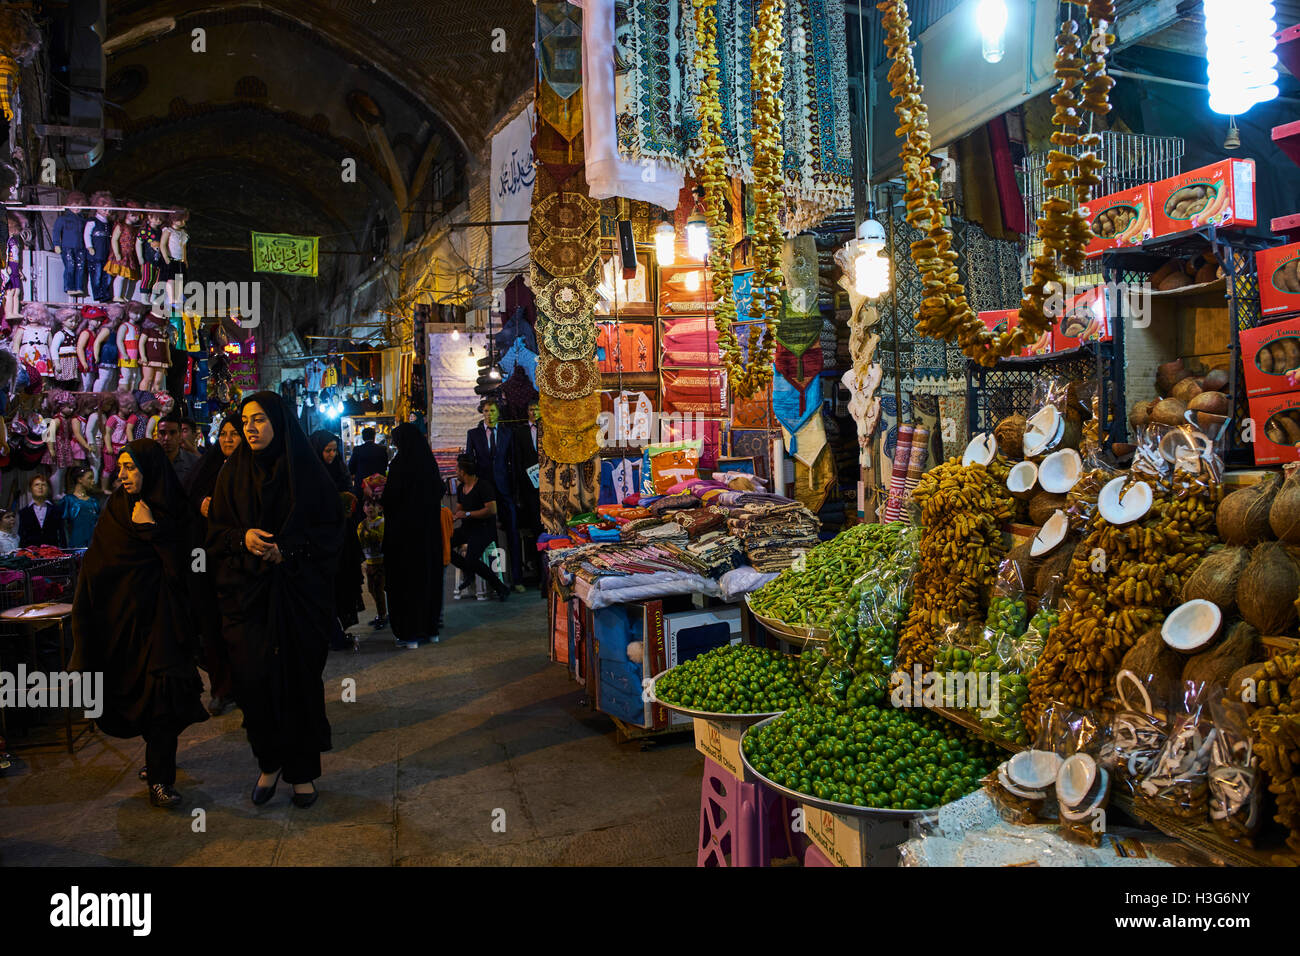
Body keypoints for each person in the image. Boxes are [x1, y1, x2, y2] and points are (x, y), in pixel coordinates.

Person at [207, 392, 342, 808]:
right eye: (246, 421)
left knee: (299, 684)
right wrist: (242, 538)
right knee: (254, 685)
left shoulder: (308, 474)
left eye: (260, 420)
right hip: (248, 600)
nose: (251, 428)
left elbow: (331, 533)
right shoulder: (231, 476)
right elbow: (214, 534)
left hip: (298, 599)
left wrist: (290, 551)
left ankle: (302, 772)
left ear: (279, 423)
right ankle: (269, 762)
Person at [68, 439, 209, 809]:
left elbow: (189, 569)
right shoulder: (115, 510)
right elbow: (98, 569)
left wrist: (153, 530)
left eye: (132, 468)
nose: (124, 474)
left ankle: (161, 778)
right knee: (145, 699)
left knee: (165, 698)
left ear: (151, 469)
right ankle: (157, 760)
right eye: (123, 467)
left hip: (166, 623)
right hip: (125, 626)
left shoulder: (176, 510)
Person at [187, 412, 242, 716]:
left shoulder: (252, 469)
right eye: (224, 434)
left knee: (239, 628)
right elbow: (189, 496)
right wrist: (200, 504)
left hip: (236, 562)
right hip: (204, 560)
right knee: (211, 626)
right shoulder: (206, 467)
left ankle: (244, 685)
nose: (228, 440)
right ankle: (221, 688)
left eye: (234, 434)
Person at [381, 423, 448, 648]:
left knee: (407, 583)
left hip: (404, 539)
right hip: (428, 536)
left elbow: (390, 500)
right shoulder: (428, 464)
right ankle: (430, 630)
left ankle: (410, 634)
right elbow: (439, 490)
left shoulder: (399, 465)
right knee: (429, 579)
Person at [310, 429, 362, 650]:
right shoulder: (309, 473)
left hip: (341, 540)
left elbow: (348, 493)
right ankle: (331, 634)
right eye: (326, 450)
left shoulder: (339, 470)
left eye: (333, 450)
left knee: (339, 586)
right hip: (320, 543)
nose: (331, 455)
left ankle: (335, 632)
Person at [466, 399, 523, 591]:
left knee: (513, 532)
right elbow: (470, 463)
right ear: (482, 412)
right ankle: (496, 581)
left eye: (492, 411)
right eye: (486, 411)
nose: (489, 414)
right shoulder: (473, 434)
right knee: (490, 536)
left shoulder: (507, 434)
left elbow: (513, 463)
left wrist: (515, 491)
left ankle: (517, 579)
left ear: (498, 413)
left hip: (504, 488)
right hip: (484, 491)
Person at [450, 455, 510, 602]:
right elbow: (459, 509)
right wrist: (453, 517)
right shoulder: (460, 488)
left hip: (483, 529)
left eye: (457, 469)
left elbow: (492, 510)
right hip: (467, 529)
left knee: (471, 558)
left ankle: (500, 587)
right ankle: (468, 571)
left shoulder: (483, 486)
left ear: (463, 471)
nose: (456, 472)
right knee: (442, 545)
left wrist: (468, 514)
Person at [510, 400, 542, 586]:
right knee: (535, 529)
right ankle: (537, 573)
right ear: (527, 412)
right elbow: (518, 460)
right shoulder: (520, 433)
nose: (534, 412)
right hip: (529, 488)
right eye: (531, 409)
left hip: (547, 486)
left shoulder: (547, 430)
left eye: (536, 409)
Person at [357, 497, 387, 629]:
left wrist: (368, 531)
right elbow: (360, 540)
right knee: (371, 589)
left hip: (381, 562)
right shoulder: (361, 524)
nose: (370, 507)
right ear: (363, 508)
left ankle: (382, 615)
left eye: (373, 505)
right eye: (367, 504)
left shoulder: (381, 522)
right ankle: (382, 612)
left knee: (379, 589)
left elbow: (380, 536)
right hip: (369, 563)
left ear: (379, 508)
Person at [60, 464, 102, 549]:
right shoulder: (68, 501)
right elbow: (62, 527)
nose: (93, 481)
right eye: (90, 478)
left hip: (93, 547)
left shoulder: (94, 502)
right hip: (74, 547)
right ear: (80, 479)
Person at [18, 474, 66, 548]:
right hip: (31, 554)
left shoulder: (56, 510)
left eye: (43, 485)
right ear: (30, 489)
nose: (40, 487)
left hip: (53, 553)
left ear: (48, 489)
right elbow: (22, 536)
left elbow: (62, 533)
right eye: (36, 485)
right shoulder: (24, 512)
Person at [157, 410, 200, 490]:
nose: (167, 438)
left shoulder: (193, 462)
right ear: (157, 435)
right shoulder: (150, 462)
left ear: (180, 435)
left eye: (172, 433)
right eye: (162, 433)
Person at [347, 426, 388, 500]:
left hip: (362, 485)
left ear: (363, 437)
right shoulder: (382, 449)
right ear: (374, 436)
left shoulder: (357, 449)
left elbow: (351, 467)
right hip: (378, 486)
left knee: (361, 507)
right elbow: (385, 466)